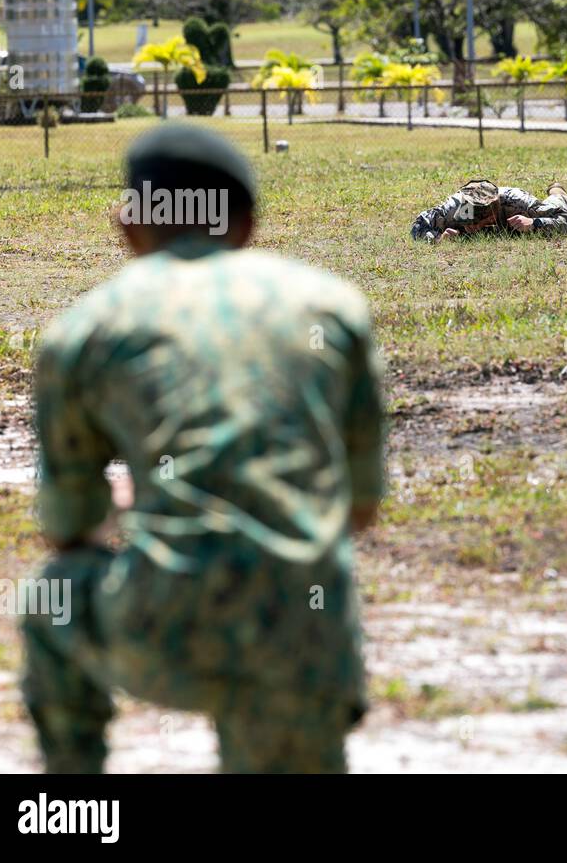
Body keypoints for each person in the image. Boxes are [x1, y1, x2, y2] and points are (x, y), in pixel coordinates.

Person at [22, 123, 386, 773]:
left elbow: (67, 524)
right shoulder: (332, 307)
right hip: (302, 635)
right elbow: (358, 510)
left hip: (162, 626)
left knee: (55, 593)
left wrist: (144, 508)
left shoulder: (84, 330)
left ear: (129, 225)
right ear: (246, 224)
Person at [411, 179, 567, 242]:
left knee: (562, 206)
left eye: (475, 222)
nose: (469, 227)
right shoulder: (452, 208)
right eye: (466, 220)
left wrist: (534, 223)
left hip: (524, 209)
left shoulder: (518, 202)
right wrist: (438, 238)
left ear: (491, 216)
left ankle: (557, 191)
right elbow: (418, 226)